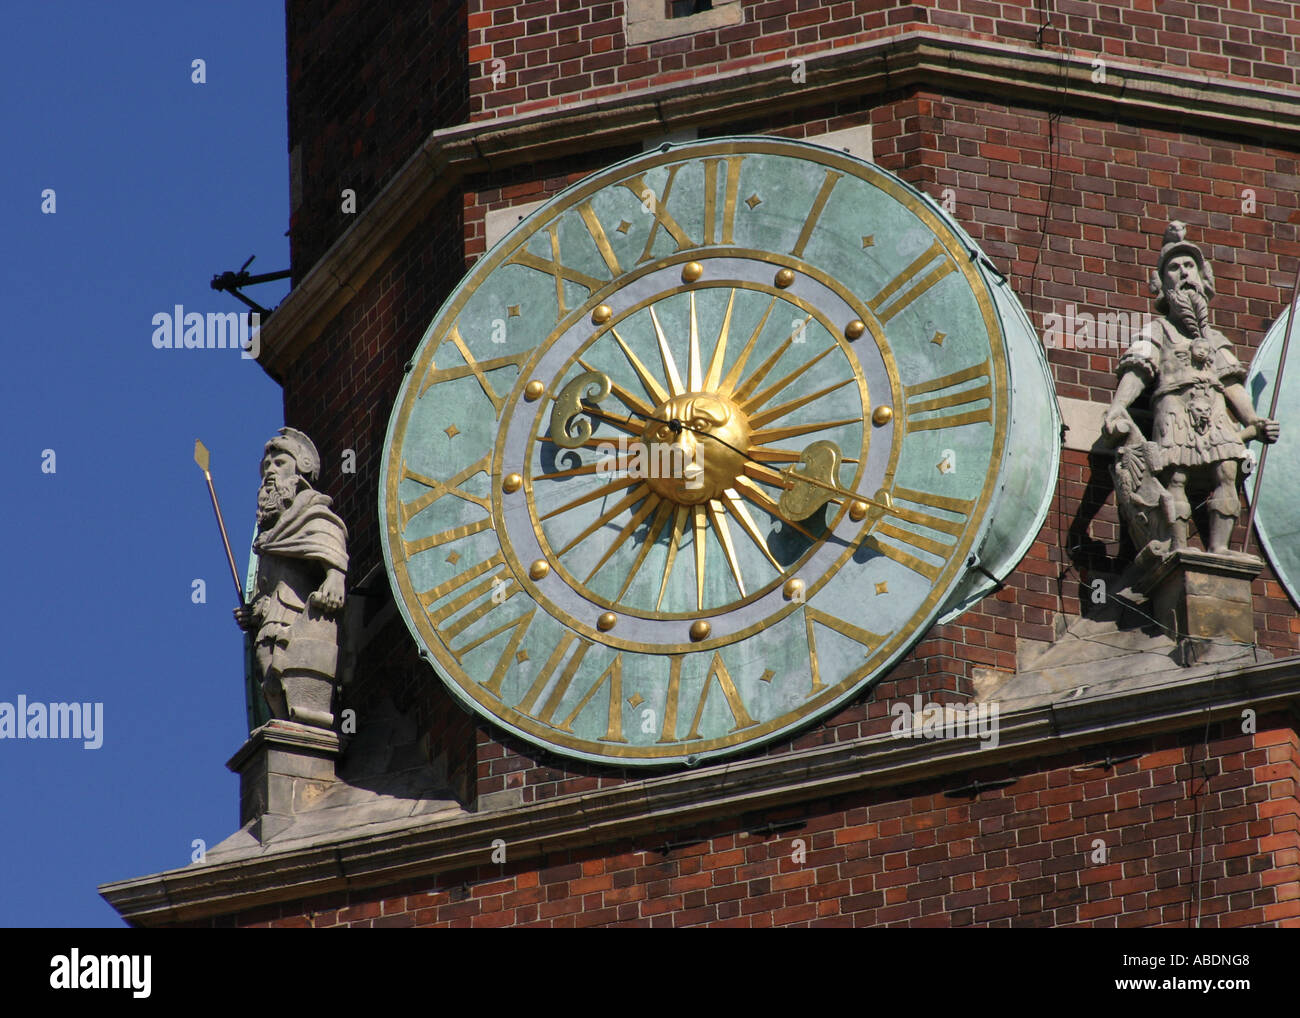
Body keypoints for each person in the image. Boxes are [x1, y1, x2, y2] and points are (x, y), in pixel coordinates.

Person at [1103, 221, 1278, 555]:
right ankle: (1180, 546)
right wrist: (1117, 406)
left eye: (1189, 266)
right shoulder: (1159, 330)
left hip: (1213, 410)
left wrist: (1252, 419)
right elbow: (1138, 368)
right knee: (1177, 476)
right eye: (1174, 267)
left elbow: (1230, 382)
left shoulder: (1213, 339)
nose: (1183, 273)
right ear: (1161, 282)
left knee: (1226, 472)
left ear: (1202, 275)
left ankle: (1220, 548)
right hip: (1174, 408)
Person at [234, 428, 348, 727]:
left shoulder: (309, 511)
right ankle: (286, 727)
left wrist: (335, 578)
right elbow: (265, 589)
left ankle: (303, 728)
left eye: (280, 463)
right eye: (266, 466)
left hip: (298, 612)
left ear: (301, 469)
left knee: (289, 674)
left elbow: (329, 538)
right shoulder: (269, 534)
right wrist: (252, 613)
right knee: (268, 676)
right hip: (273, 614)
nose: (270, 471)